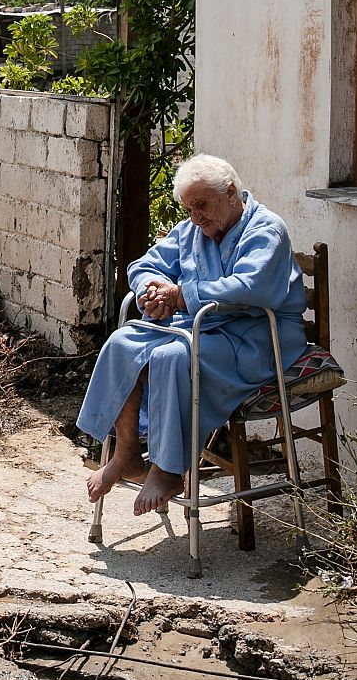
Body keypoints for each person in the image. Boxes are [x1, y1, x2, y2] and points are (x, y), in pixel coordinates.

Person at [79, 153, 307, 516]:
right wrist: (151, 290)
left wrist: (181, 295)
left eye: (201, 205)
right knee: (122, 343)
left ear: (231, 193)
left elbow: (250, 286)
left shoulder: (267, 230)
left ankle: (168, 469)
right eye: (189, 209)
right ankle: (127, 453)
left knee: (172, 357)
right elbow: (144, 265)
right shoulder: (192, 230)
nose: (195, 216)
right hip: (199, 328)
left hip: (256, 337)